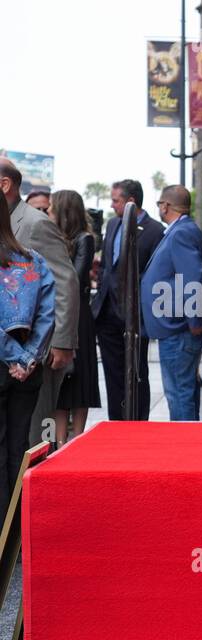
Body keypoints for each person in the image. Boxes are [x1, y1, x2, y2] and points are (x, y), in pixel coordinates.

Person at [0, 161, 76, 446]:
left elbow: (64, 283)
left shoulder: (35, 223)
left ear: (4, 184)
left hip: (34, 350)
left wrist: (62, 342)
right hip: (11, 355)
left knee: (32, 434)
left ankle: (29, 489)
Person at [90, 179, 162, 420]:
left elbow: (154, 272)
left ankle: (139, 420)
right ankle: (116, 421)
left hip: (135, 313)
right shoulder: (112, 225)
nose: (112, 206)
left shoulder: (155, 231)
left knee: (137, 371)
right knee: (112, 373)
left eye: (116, 201)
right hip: (108, 310)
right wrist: (101, 288)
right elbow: (106, 266)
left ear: (131, 201)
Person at [0, 192, 55, 502]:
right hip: (26, 370)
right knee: (20, 446)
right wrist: (27, 358)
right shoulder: (33, 259)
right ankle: (18, 537)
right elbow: (48, 315)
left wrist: (15, 356)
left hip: (11, 361)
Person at [141, 186, 202, 421]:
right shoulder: (181, 231)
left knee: (179, 394)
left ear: (165, 206)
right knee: (183, 392)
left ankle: (185, 449)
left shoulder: (181, 232)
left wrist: (194, 322)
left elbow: (193, 277)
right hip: (177, 328)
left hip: (178, 330)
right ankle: (188, 445)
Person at [49, 190, 100, 441]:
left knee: (80, 377)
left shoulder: (84, 239)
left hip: (78, 314)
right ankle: (59, 442)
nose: (48, 212)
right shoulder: (53, 238)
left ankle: (77, 438)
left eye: (51, 208)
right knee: (60, 381)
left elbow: (76, 277)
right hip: (59, 311)